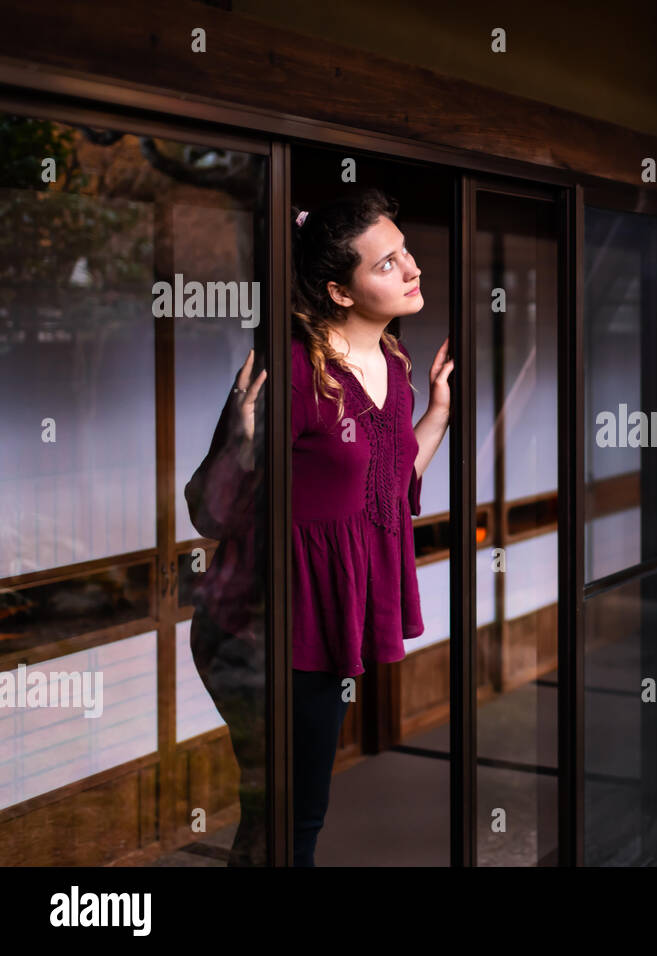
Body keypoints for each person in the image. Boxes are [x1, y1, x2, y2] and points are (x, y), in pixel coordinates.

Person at [185, 187, 453, 866]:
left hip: (331, 616)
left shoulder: (394, 364)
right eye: (386, 263)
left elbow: (389, 482)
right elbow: (212, 511)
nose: (411, 268)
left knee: (292, 812)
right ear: (339, 290)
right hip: (261, 625)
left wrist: (439, 413)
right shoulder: (296, 373)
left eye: (404, 252)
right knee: (289, 817)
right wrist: (238, 438)